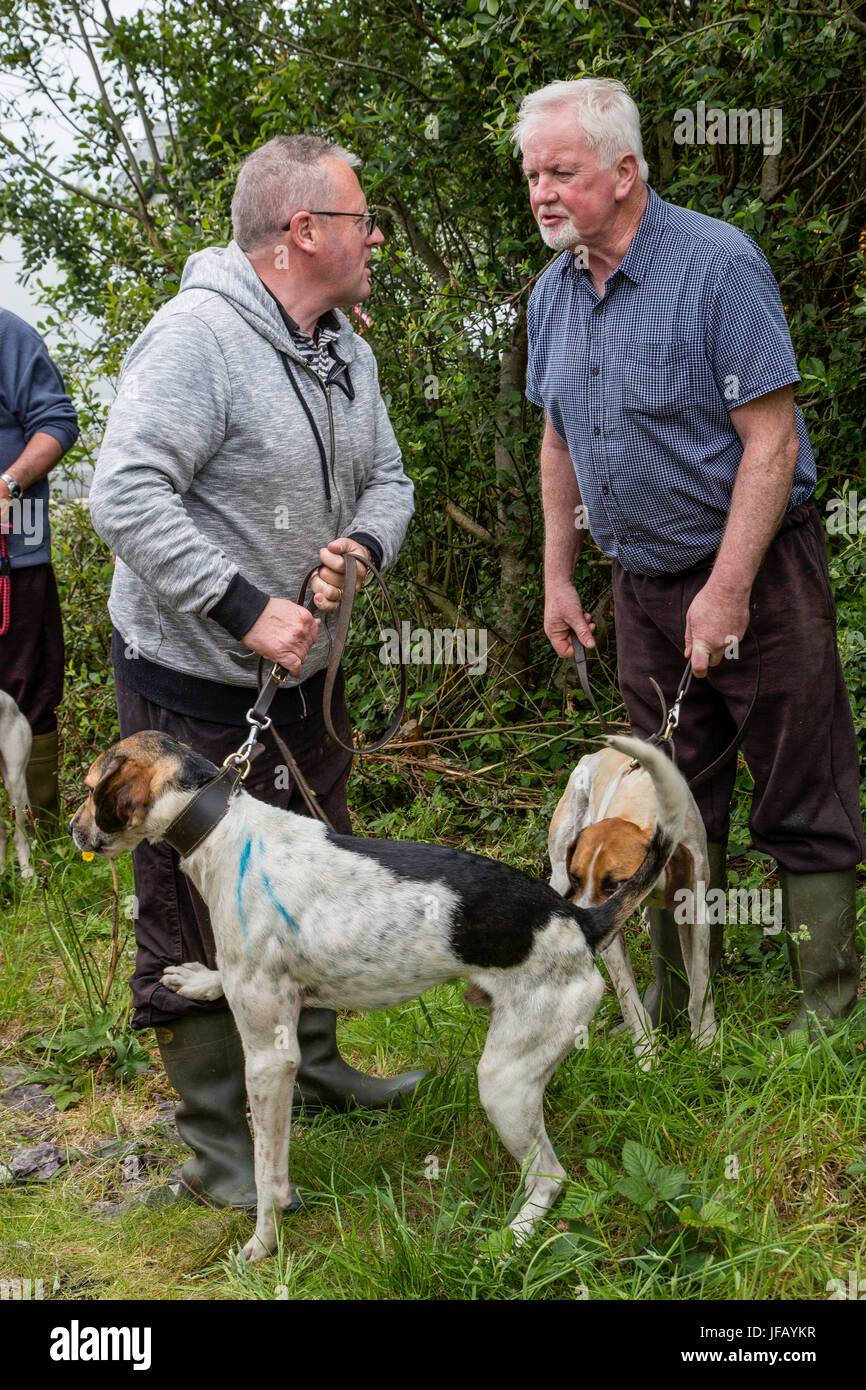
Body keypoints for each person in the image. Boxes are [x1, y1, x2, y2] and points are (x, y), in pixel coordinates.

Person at [89, 134, 425, 1212]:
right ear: (303, 232)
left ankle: (316, 1070)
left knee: (313, 877)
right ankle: (221, 1154)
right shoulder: (196, 340)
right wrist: (243, 607)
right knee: (189, 911)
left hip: (300, 692)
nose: (374, 236)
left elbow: (392, 478)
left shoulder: (341, 347)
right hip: (186, 684)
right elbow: (122, 493)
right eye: (361, 218)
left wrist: (362, 547)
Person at [513, 78, 864, 1035]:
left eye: (563, 172)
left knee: (802, 787)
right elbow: (558, 443)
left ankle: (826, 1012)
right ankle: (678, 1007)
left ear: (625, 173)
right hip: (641, 589)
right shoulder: (550, 294)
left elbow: (773, 442)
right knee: (666, 802)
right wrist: (557, 576)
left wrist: (729, 589)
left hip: (761, 574)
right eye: (533, 173)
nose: (542, 191)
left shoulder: (717, 266)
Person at [0, 310, 79, 831]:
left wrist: (6, 485)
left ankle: (37, 838)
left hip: (13, 558)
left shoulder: (8, 335)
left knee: (26, 689)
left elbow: (57, 423)